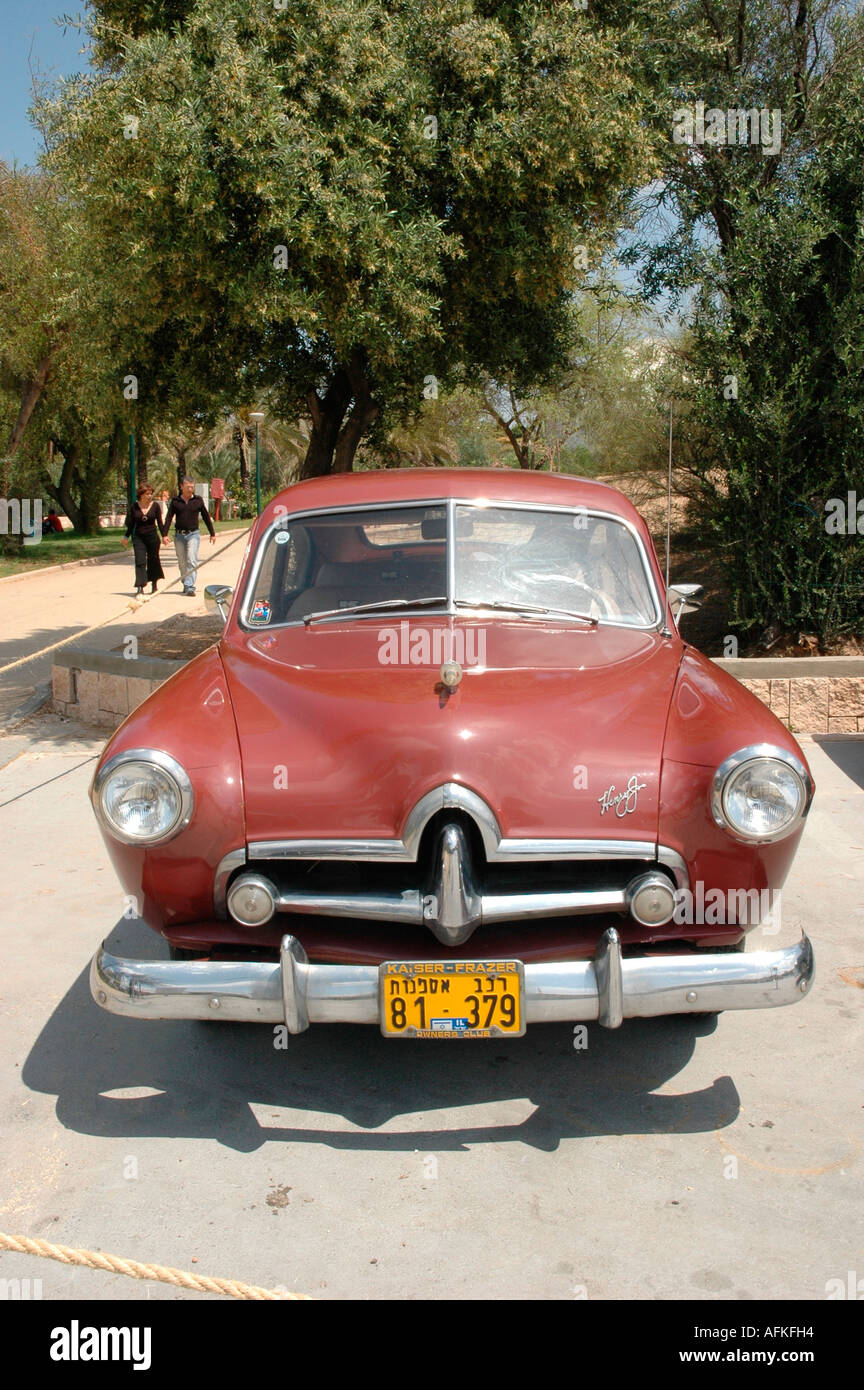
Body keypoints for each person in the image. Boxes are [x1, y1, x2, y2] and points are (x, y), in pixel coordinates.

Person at [160, 476, 216, 596]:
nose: (190, 489)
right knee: (182, 562)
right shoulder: (175, 501)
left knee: (191, 558)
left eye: (192, 486)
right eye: (188, 486)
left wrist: (212, 533)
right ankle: (186, 582)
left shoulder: (198, 500)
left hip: (193, 534)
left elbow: (206, 517)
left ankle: (190, 586)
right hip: (179, 535)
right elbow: (169, 517)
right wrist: (164, 534)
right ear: (182, 487)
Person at [123, 485, 165, 596]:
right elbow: (131, 524)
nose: (149, 496)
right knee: (140, 560)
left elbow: (160, 523)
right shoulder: (134, 507)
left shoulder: (155, 506)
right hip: (138, 537)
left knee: (153, 560)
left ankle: (154, 585)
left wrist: (164, 535)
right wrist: (126, 537)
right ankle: (140, 587)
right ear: (141, 495)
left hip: (152, 537)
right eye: (147, 494)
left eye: (151, 493)